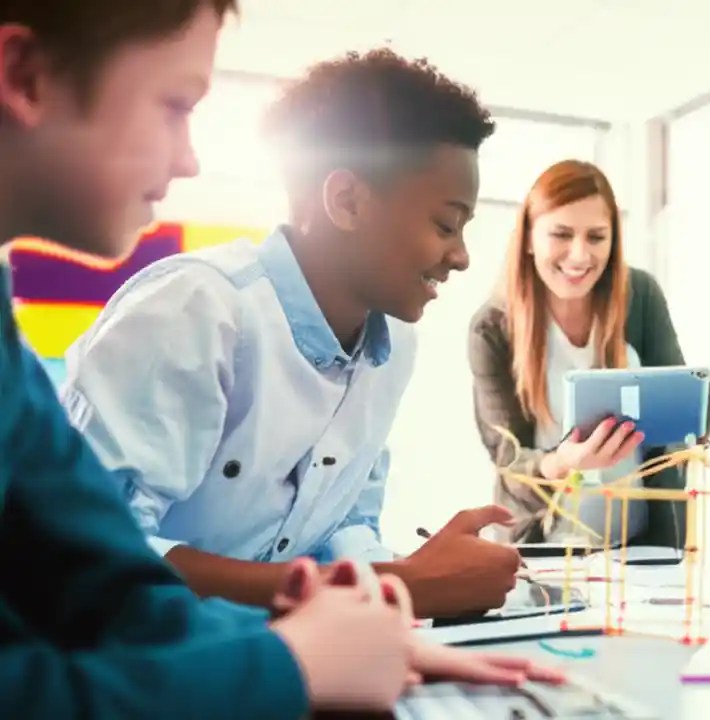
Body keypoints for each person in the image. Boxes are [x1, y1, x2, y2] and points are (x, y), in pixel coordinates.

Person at [0, 2, 559, 717]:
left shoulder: (395, 347)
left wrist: (362, 621)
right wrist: (320, 641)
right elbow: (83, 596)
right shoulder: (197, 311)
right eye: (174, 105)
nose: (188, 158)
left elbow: (105, 584)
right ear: (25, 74)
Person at [58, 48, 525, 620]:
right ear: (347, 201)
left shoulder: (393, 345)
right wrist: (398, 585)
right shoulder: (196, 312)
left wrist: (413, 575)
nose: (461, 257)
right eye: (445, 225)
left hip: (284, 655)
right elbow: (90, 553)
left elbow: (346, 520)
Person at [470, 159, 707, 547]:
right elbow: (509, 462)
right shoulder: (492, 328)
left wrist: (695, 417)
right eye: (561, 234)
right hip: (541, 547)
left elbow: (683, 401)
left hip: (643, 545)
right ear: (529, 239)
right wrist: (564, 462)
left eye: (596, 237)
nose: (579, 256)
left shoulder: (640, 296)